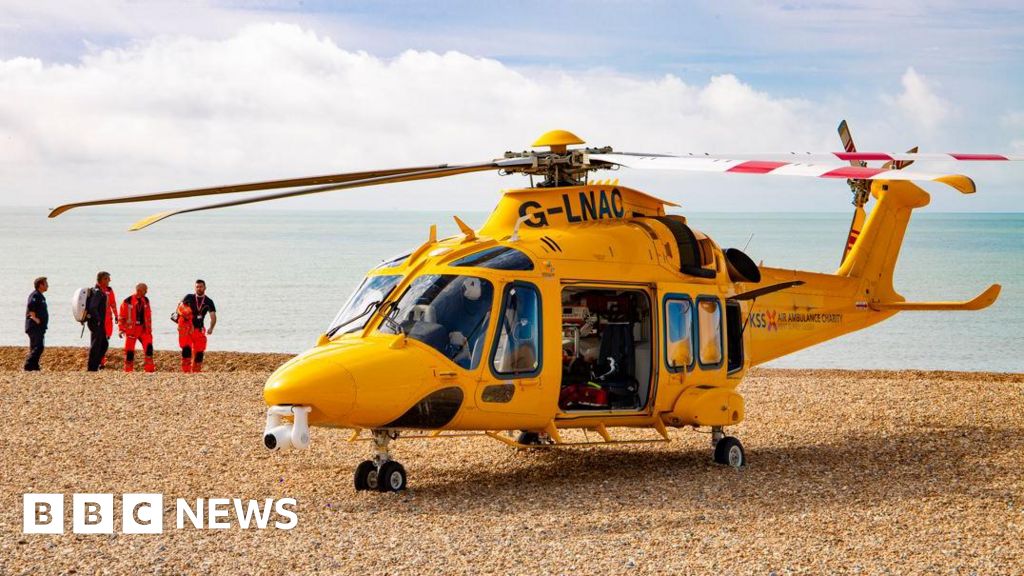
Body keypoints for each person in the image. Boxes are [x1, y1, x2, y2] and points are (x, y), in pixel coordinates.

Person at [178, 279, 216, 373]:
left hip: (199, 330)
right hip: (186, 329)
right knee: (186, 350)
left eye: (201, 286)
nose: (199, 288)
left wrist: (211, 328)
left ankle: (196, 373)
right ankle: (186, 372)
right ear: (195, 288)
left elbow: (213, 316)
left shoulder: (208, 301)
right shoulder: (189, 297)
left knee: (199, 353)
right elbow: (179, 308)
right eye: (197, 287)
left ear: (205, 288)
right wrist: (180, 322)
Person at [119, 283, 154, 373]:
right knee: (129, 353)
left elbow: (148, 316)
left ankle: (149, 371)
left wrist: (149, 330)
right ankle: (128, 372)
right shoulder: (127, 301)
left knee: (149, 350)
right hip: (132, 330)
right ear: (139, 290)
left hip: (144, 330)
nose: (146, 292)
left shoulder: (146, 300)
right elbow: (122, 317)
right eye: (145, 290)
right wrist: (121, 329)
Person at [86, 271, 112, 371]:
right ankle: (92, 368)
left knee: (103, 343)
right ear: (102, 280)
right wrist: (98, 319)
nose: (109, 280)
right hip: (96, 322)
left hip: (98, 322)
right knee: (97, 344)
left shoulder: (99, 291)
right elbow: (93, 307)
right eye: (107, 278)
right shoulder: (97, 292)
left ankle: (94, 365)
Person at [24, 276, 49, 371]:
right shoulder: (35, 295)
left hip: (39, 327)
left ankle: (34, 366)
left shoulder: (41, 296)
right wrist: (35, 318)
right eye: (46, 284)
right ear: (40, 285)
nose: (48, 286)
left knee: (35, 346)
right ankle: (28, 364)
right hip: (34, 326)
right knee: (39, 346)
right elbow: (31, 305)